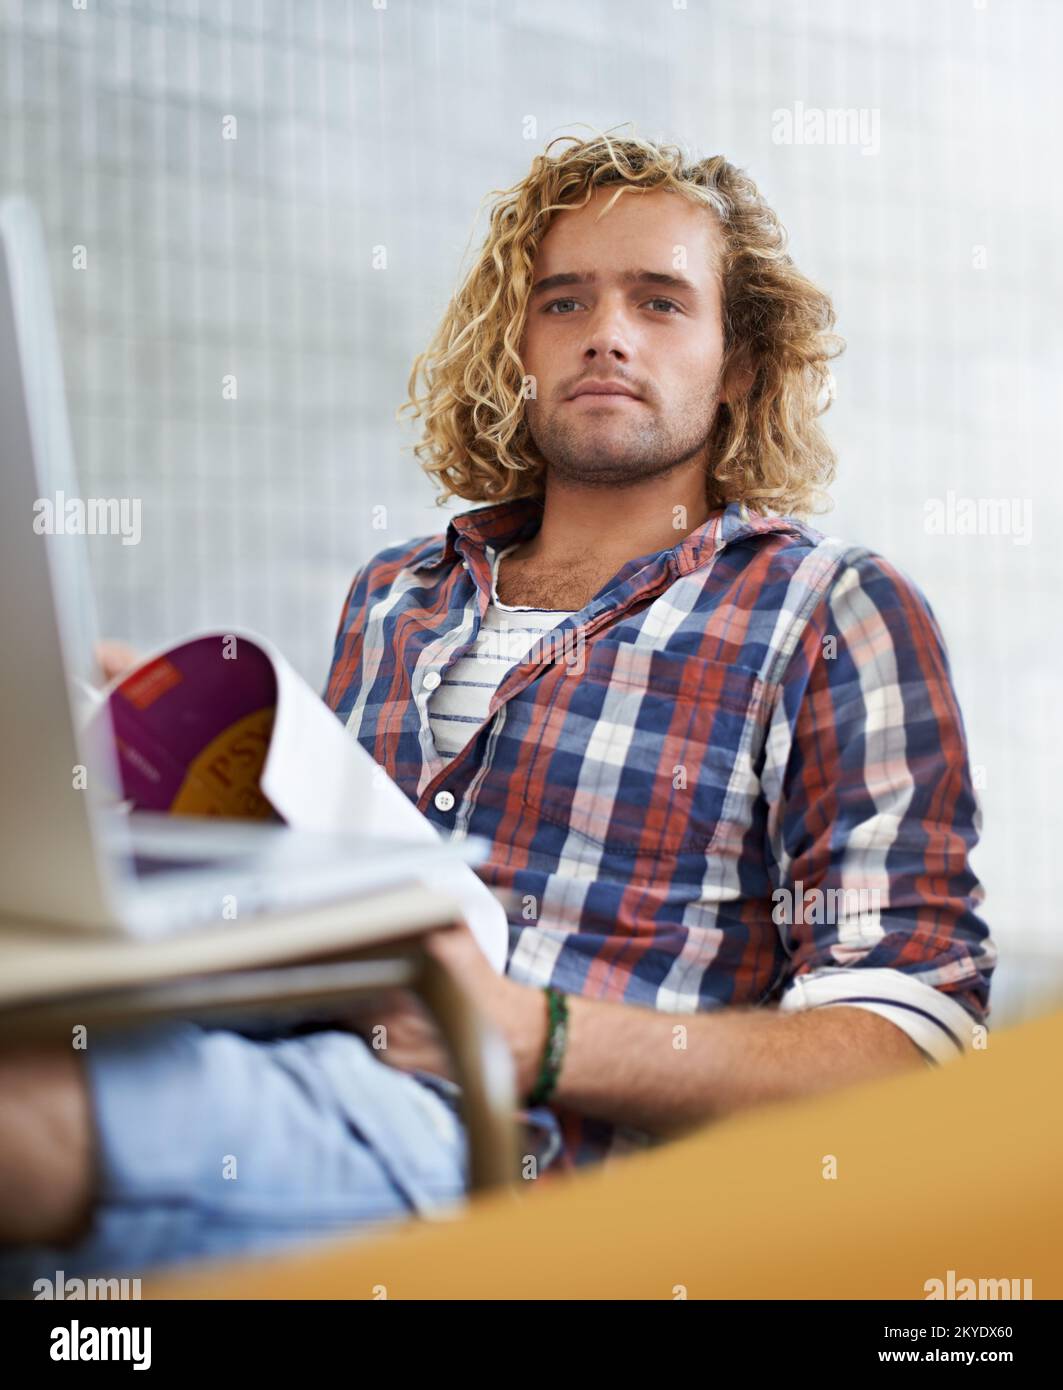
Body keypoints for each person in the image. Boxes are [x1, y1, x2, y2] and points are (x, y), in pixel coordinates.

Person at [0, 130, 996, 1289]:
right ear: (516, 344)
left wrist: (539, 1034)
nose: (605, 332)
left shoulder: (829, 610)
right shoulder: (394, 597)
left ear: (737, 362)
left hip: (524, 1168)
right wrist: (156, 766)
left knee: (23, 1113)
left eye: (661, 302)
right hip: (283, 1060)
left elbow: (912, 1049)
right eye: (563, 299)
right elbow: (326, 893)